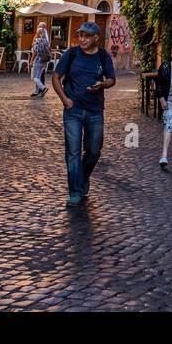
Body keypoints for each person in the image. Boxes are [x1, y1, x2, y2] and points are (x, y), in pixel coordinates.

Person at [50, 22, 115, 207]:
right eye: (80, 35)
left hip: (95, 111)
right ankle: (75, 192)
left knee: (94, 151)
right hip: (73, 110)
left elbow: (112, 80)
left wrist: (102, 85)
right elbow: (55, 77)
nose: (82, 39)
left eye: (87, 36)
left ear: (96, 38)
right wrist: (65, 100)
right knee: (73, 152)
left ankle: (83, 176)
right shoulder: (71, 54)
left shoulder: (103, 56)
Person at [29, 23, 51, 98]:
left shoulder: (37, 41)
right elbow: (48, 52)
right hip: (43, 61)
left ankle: (43, 88)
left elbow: (35, 53)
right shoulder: (46, 41)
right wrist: (46, 62)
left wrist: (31, 61)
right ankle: (37, 91)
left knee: (35, 77)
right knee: (38, 77)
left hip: (38, 60)